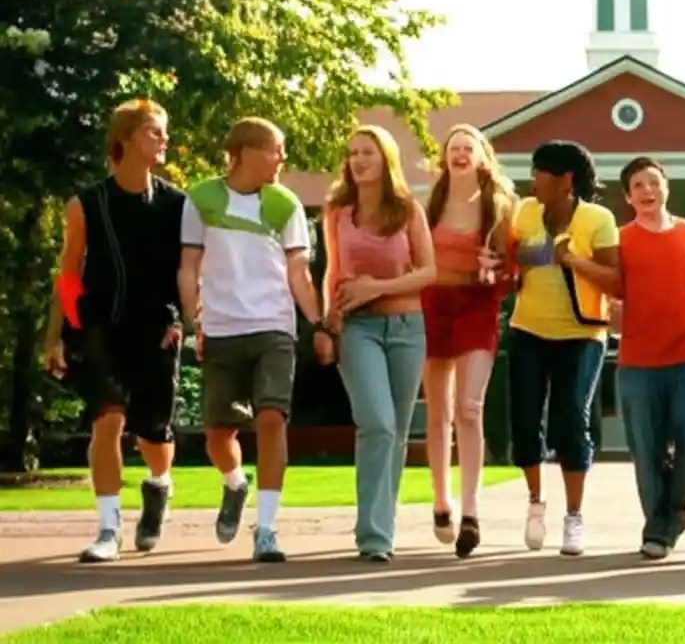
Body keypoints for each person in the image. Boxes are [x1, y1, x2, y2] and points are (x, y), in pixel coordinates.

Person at [178, 117, 327, 563]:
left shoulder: (286, 205)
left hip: (273, 327)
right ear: (243, 151)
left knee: (271, 417)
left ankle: (267, 529)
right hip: (221, 329)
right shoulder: (201, 199)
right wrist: (193, 320)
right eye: (275, 149)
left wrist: (318, 324)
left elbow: (299, 272)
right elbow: (189, 265)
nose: (281, 158)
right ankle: (234, 484)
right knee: (218, 433)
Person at [43, 99, 186, 563]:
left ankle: (159, 485)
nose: (164, 140)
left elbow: (192, 272)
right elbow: (67, 274)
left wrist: (185, 320)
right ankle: (109, 529)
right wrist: (55, 336)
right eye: (154, 131)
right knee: (107, 419)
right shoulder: (86, 204)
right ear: (125, 140)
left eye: (164, 132)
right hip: (99, 326)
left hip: (156, 329)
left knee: (153, 435)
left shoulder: (177, 205)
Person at [322, 125, 436, 562]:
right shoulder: (337, 211)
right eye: (352, 153)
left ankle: (379, 529)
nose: (358, 160)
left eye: (367, 152)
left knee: (397, 430)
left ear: (385, 157)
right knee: (378, 424)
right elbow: (332, 270)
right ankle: (373, 536)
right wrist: (327, 320)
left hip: (407, 327)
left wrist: (377, 286)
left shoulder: (408, 209)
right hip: (357, 328)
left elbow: (429, 273)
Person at [507, 140, 619, 556]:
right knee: (524, 420)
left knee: (571, 417)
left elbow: (616, 281)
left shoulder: (597, 219)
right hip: (528, 330)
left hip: (582, 334)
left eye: (540, 172)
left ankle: (574, 516)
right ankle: (536, 504)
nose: (533, 179)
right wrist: (539, 253)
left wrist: (574, 261)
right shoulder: (524, 212)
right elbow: (512, 258)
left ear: (565, 179)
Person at [418, 123, 516, 558]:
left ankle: (472, 513)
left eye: (468, 147)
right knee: (438, 410)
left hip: (476, 308)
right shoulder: (429, 205)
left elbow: (513, 272)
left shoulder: (499, 207)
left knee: (470, 409)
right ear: (445, 158)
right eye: (453, 147)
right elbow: (412, 256)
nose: (460, 153)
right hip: (432, 306)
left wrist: (495, 265)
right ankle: (442, 501)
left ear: (481, 157)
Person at [613, 157, 685, 561]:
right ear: (628, 196)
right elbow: (611, 296)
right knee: (647, 450)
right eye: (638, 185)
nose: (647, 190)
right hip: (638, 362)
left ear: (666, 187)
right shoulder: (620, 239)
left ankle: (671, 514)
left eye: (653, 182)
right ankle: (659, 526)